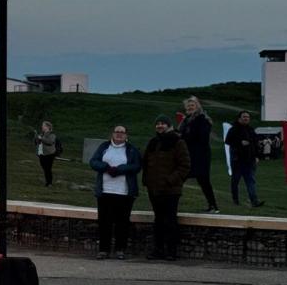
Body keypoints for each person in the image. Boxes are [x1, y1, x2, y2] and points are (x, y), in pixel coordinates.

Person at [89, 124, 141, 260]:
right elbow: (93, 162)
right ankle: (103, 250)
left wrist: (121, 169)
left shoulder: (131, 150)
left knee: (122, 222)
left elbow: (136, 166)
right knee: (104, 221)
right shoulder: (104, 147)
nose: (119, 134)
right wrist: (106, 168)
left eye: (122, 132)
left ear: (126, 135)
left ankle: (120, 249)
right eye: (116, 132)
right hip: (105, 191)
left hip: (124, 192)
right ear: (112, 134)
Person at [142, 115, 191, 260]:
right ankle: (158, 249)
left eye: (163, 123)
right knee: (158, 220)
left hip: (171, 190)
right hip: (154, 189)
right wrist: (147, 181)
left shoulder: (178, 141)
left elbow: (185, 166)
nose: (160, 126)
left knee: (170, 220)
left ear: (169, 126)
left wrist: (170, 180)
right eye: (158, 123)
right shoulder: (153, 142)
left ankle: (171, 251)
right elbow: (146, 163)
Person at [178, 96, 219, 212]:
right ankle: (171, 203)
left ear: (197, 106)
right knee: (181, 177)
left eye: (192, 105)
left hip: (200, 155)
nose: (190, 107)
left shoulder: (202, 119)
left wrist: (185, 137)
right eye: (188, 106)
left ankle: (213, 206)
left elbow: (203, 138)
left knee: (203, 180)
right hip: (188, 154)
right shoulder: (186, 120)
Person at [224, 111, 264, 208]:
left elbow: (256, 144)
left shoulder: (251, 130)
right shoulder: (233, 129)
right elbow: (228, 141)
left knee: (250, 181)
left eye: (247, 117)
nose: (246, 118)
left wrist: (257, 156)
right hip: (237, 160)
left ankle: (254, 201)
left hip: (250, 161)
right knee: (235, 181)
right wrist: (240, 142)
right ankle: (235, 200)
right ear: (239, 118)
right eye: (244, 117)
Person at [34, 120, 58, 186]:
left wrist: (41, 138)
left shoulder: (52, 134)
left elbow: (50, 142)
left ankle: (49, 183)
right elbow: (37, 143)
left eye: (43, 125)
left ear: (47, 127)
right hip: (41, 154)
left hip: (49, 154)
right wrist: (36, 137)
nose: (42, 127)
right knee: (45, 168)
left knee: (48, 168)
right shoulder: (42, 134)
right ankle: (48, 181)